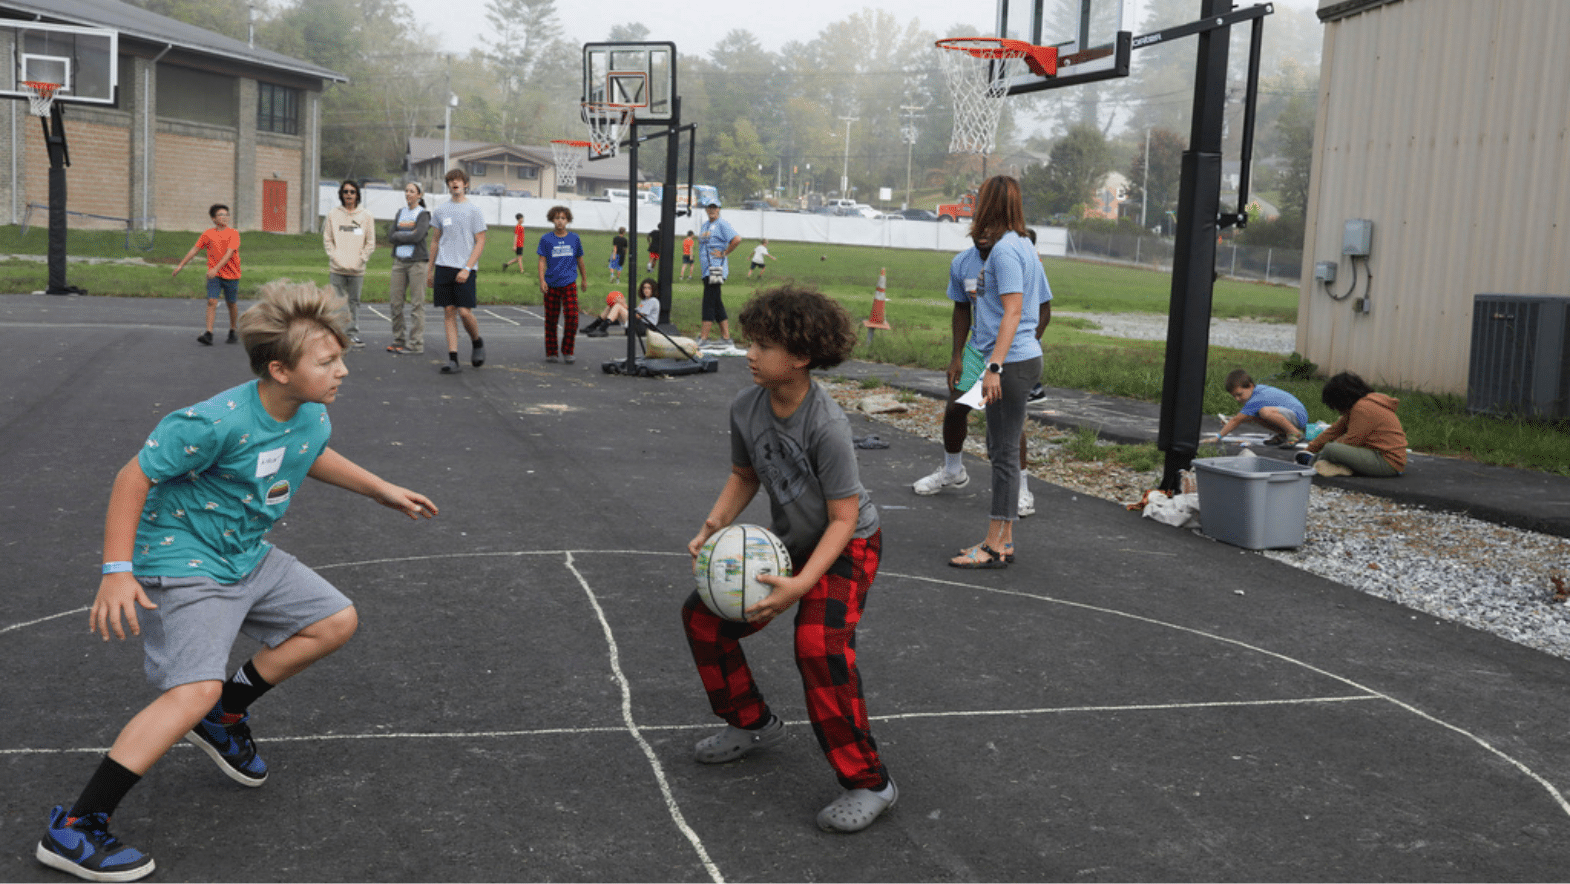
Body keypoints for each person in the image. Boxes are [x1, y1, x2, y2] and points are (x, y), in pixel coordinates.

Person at [34, 282, 437, 883]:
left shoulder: (309, 413)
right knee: (189, 691)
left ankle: (223, 717)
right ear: (279, 368)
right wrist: (116, 571)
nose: (343, 370)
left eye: (341, 356)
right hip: (186, 560)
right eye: (327, 362)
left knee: (333, 621)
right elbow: (132, 477)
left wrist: (380, 488)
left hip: (245, 554)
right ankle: (75, 828)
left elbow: (309, 451)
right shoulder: (212, 422)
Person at [683, 284, 895, 834]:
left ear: (800, 357)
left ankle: (870, 781)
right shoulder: (745, 406)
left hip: (848, 545)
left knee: (818, 644)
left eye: (764, 345)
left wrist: (800, 586)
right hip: (794, 541)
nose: (750, 353)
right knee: (702, 619)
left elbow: (845, 519)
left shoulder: (826, 425)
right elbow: (745, 475)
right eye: (750, 342)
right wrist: (712, 528)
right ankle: (751, 723)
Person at [913, 230, 1051, 521]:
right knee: (955, 409)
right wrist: (956, 357)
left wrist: (1027, 344)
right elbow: (961, 309)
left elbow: (1043, 309)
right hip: (978, 351)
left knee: (1009, 421)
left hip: (1011, 353)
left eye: (990, 228)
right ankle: (953, 471)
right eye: (978, 228)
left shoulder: (1017, 256)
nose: (982, 234)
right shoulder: (963, 263)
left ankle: (1023, 489)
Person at [948, 176, 1045, 569]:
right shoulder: (1023, 245)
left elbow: (1015, 312)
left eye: (978, 200)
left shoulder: (1005, 252)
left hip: (1011, 361)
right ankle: (1003, 541)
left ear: (988, 204)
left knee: (1003, 454)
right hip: (1019, 358)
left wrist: (992, 367)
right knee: (1000, 450)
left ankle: (991, 546)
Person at [426, 168, 487, 375]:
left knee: (464, 312)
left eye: (458, 180)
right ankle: (453, 358)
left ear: (466, 184)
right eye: (451, 180)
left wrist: (467, 268)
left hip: (465, 268)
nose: (455, 183)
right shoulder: (441, 211)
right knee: (449, 311)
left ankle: (477, 341)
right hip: (444, 266)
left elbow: (480, 241)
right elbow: (435, 241)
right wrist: (430, 270)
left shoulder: (474, 210)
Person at [1303, 371, 1407, 477]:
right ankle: (1331, 465)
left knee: (1330, 449)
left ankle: (1311, 463)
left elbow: (1352, 442)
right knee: (1332, 448)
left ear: (1341, 399)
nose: (1338, 411)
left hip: (1386, 463)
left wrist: (1316, 454)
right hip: (1387, 460)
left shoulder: (1362, 408)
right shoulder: (1361, 405)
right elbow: (1333, 431)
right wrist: (1308, 450)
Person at [171, 204, 241, 346]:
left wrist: (216, 268)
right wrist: (180, 265)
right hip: (213, 274)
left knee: (231, 303)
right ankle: (209, 333)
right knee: (211, 301)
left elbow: (229, 254)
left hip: (232, 274)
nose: (225, 217)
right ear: (214, 219)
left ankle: (233, 330)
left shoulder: (233, 233)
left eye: (227, 214)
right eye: (221, 215)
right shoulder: (208, 234)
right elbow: (195, 250)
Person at [323, 180, 375, 348]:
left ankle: (351, 334)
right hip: (337, 268)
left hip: (356, 270)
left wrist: (361, 259)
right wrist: (335, 257)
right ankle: (336, 335)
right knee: (336, 303)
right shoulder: (333, 214)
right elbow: (328, 239)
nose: (349, 195)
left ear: (357, 195)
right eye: (346, 192)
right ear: (341, 194)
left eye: (352, 192)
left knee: (354, 302)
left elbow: (370, 242)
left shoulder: (366, 215)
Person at [535, 205, 588, 364]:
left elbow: (580, 259)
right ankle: (551, 352)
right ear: (552, 219)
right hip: (551, 284)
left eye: (563, 218)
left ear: (568, 220)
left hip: (569, 283)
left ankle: (568, 350)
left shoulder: (574, 238)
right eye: (557, 218)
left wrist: (584, 279)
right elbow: (542, 260)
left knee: (572, 317)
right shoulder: (546, 239)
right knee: (551, 319)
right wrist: (542, 280)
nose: (560, 221)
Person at [385, 182, 430, 354]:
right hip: (399, 262)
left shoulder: (423, 214)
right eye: (406, 191)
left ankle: (416, 343)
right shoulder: (401, 213)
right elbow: (391, 236)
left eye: (412, 191)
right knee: (395, 302)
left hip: (417, 263)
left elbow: (418, 236)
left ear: (419, 195)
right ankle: (399, 339)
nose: (408, 194)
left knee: (417, 304)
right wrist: (407, 235)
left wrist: (400, 235)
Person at [1211, 369, 1309, 447]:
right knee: (1256, 416)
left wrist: (1217, 437)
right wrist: (1231, 419)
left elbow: (1236, 421)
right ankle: (1284, 434)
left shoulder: (1256, 399)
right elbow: (1243, 418)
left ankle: (1295, 433)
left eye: (1239, 394)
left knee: (1264, 412)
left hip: (1297, 416)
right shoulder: (1257, 390)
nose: (1237, 399)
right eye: (1234, 396)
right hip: (1293, 414)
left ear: (1250, 386)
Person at [696, 201, 741, 349]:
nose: (712, 210)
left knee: (708, 301)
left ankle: (704, 338)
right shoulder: (705, 225)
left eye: (714, 207)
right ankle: (726, 338)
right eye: (709, 208)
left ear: (719, 209)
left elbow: (736, 239)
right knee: (716, 302)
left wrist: (724, 253)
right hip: (706, 270)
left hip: (716, 269)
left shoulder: (722, 224)